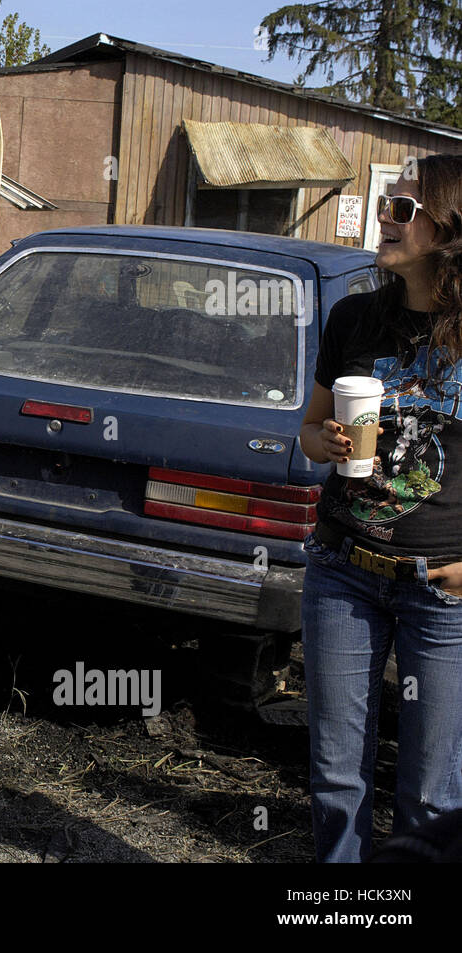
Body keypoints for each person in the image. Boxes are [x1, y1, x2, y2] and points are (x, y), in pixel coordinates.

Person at [298, 153, 462, 862]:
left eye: (402, 208)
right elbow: (306, 432)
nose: (383, 219)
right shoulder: (355, 318)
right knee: (337, 778)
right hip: (343, 570)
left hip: (443, 593)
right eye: (385, 205)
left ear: (449, 228)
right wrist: (325, 441)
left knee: (431, 792)